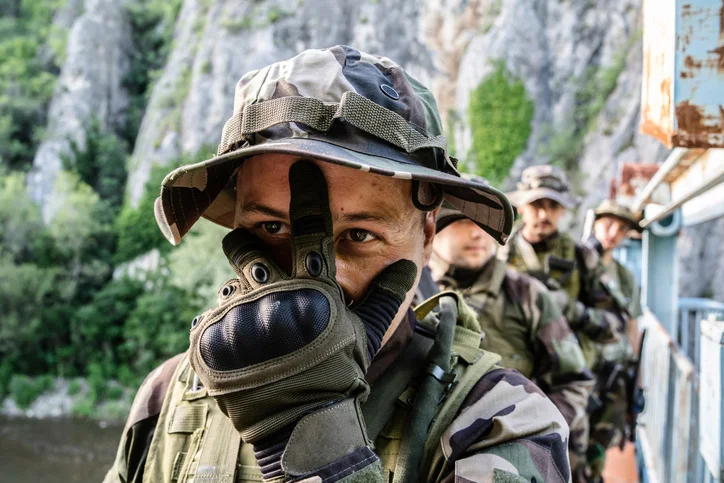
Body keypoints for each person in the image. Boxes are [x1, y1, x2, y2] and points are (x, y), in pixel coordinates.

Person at [103, 46, 572, 483]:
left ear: (426, 236)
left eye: (360, 235)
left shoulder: (501, 423)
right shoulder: (169, 396)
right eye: (272, 228)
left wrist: (317, 447)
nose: (321, 281)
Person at [426, 202, 594, 482]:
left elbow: (573, 381)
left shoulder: (526, 293)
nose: (478, 233)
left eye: (485, 223)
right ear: (432, 228)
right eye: (464, 222)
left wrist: (535, 437)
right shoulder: (410, 294)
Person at [501, 165, 627, 366]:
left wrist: (574, 311)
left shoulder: (582, 257)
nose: (544, 214)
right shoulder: (498, 255)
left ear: (563, 209)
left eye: (553, 205)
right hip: (510, 372)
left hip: (566, 374)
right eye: (536, 204)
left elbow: (616, 325)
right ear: (521, 206)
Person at [585, 199, 644, 481]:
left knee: (601, 445)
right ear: (595, 223)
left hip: (613, 375)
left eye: (621, 229)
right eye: (608, 224)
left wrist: (637, 382)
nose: (613, 233)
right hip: (581, 371)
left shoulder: (624, 276)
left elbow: (633, 328)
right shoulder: (578, 266)